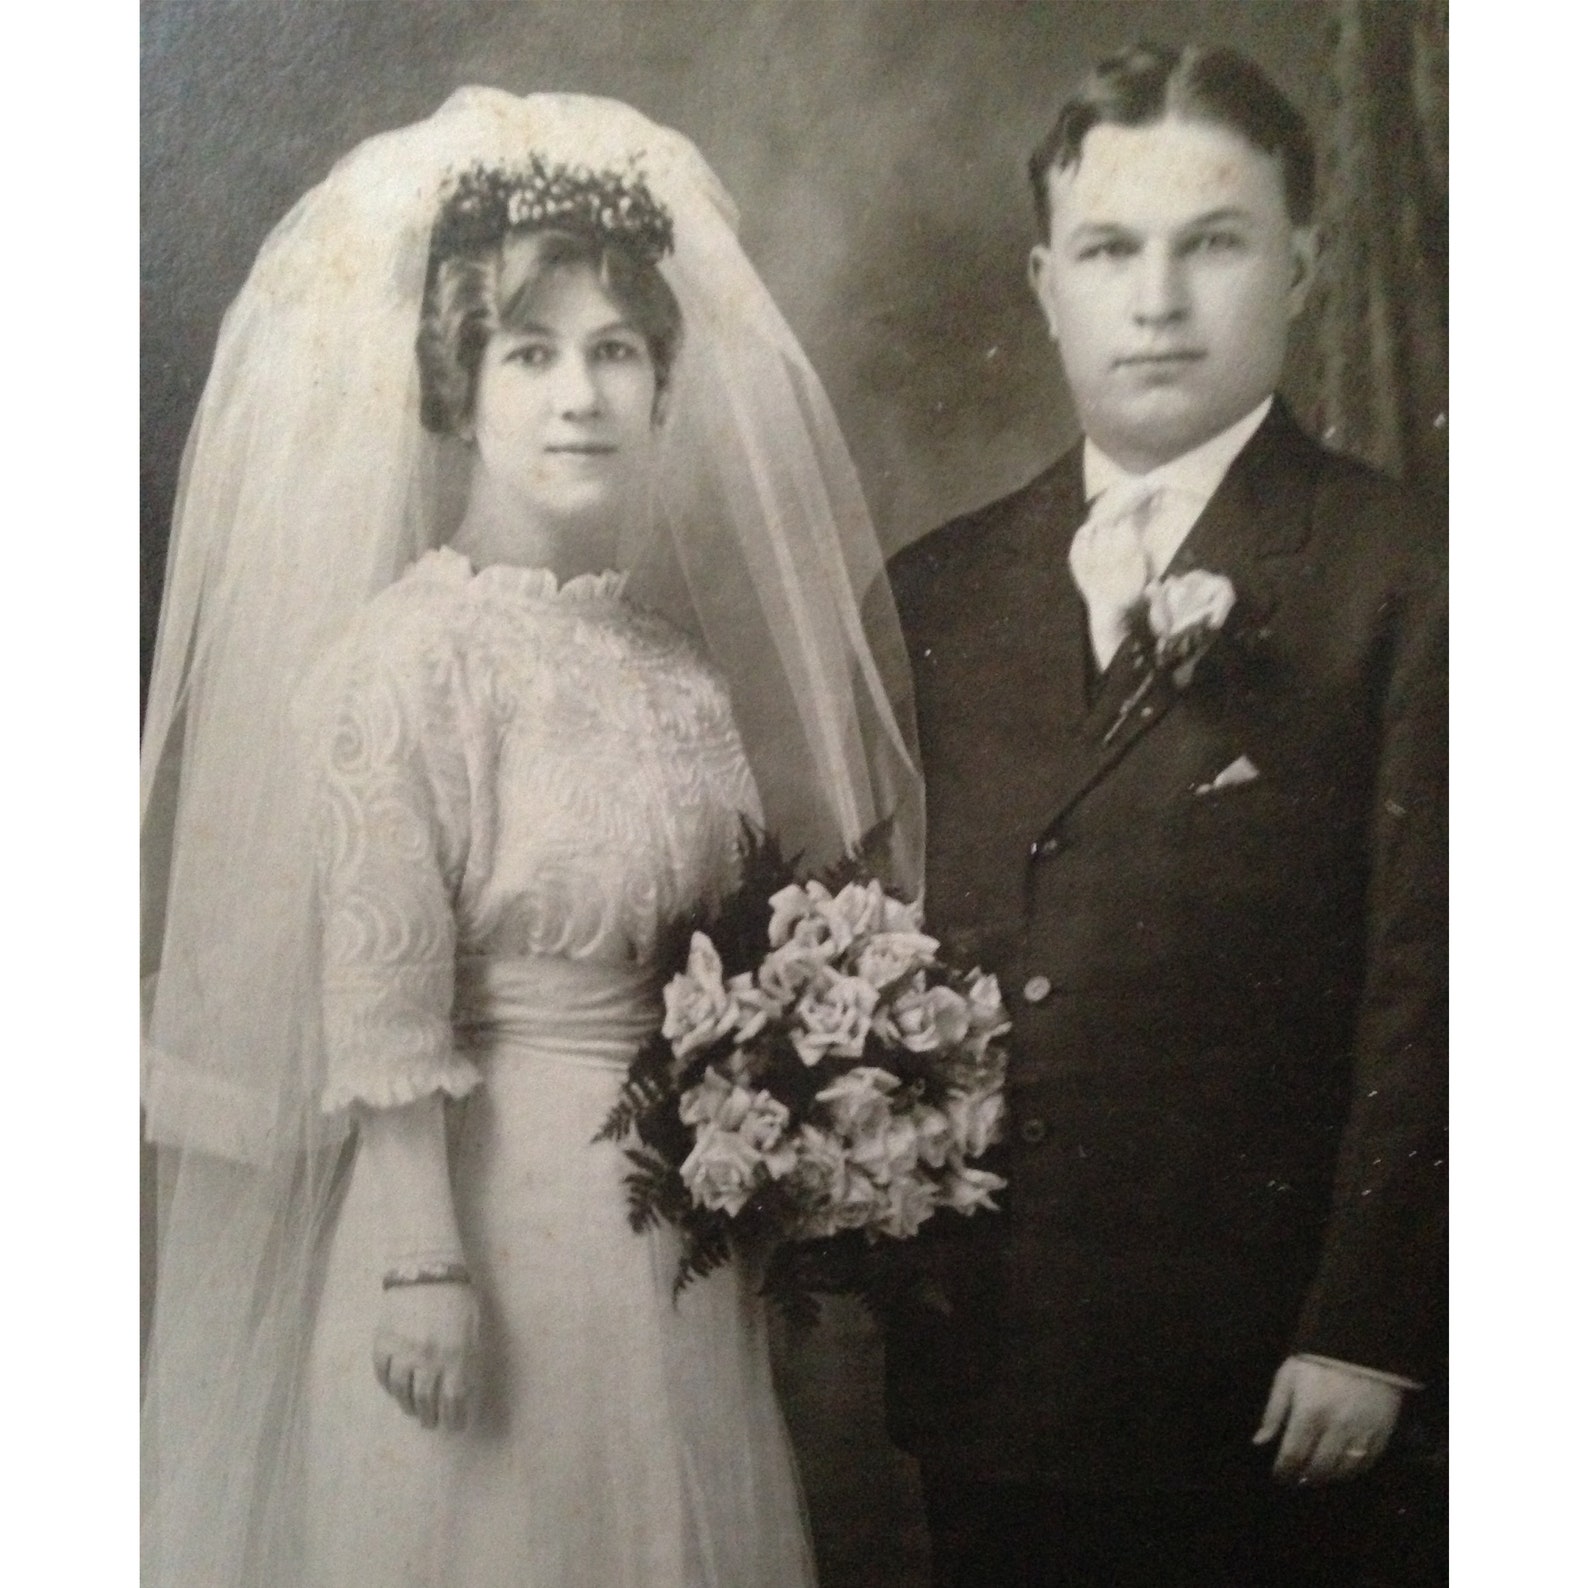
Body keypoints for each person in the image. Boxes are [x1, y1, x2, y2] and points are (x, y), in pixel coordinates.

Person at [140, 88, 923, 1588]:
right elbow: (381, 993)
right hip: (474, 1233)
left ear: (660, 388)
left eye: (616, 354)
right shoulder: (403, 660)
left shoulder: (673, 669)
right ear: (463, 385)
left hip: (669, 1247)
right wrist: (424, 1262)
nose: (580, 396)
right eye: (532, 353)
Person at [882, 43, 1445, 1587]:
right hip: (1001, 1372)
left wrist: (1369, 1331)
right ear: (1044, 281)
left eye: (1214, 243)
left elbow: (1436, 984)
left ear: (1305, 263)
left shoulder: (1407, 571)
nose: (1158, 301)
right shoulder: (937, 590)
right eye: (1110, 252)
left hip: (1273, 1386)